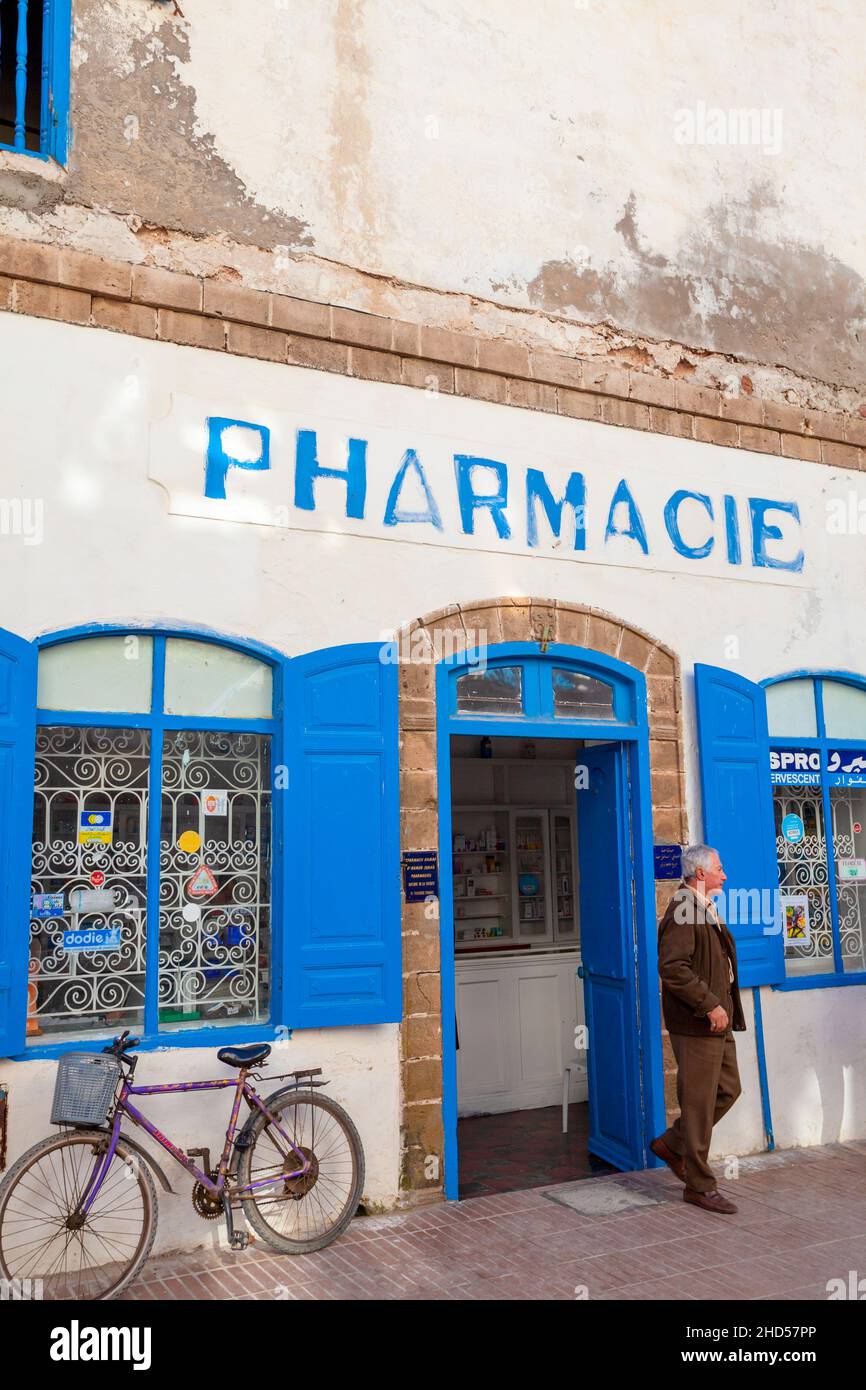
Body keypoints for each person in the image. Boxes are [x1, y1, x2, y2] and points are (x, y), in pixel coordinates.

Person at [650, 844, 745, 1214]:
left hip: (717, 1020)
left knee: (728, 1089)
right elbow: (673, 967)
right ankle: (699, 1185)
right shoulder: (683, 908)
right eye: (719, 868)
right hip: (698, 1022)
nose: (725, 875)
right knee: (699, 1103)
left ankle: (673, 1144)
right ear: (701, 873)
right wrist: (709, 1004)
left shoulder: (702, 905)